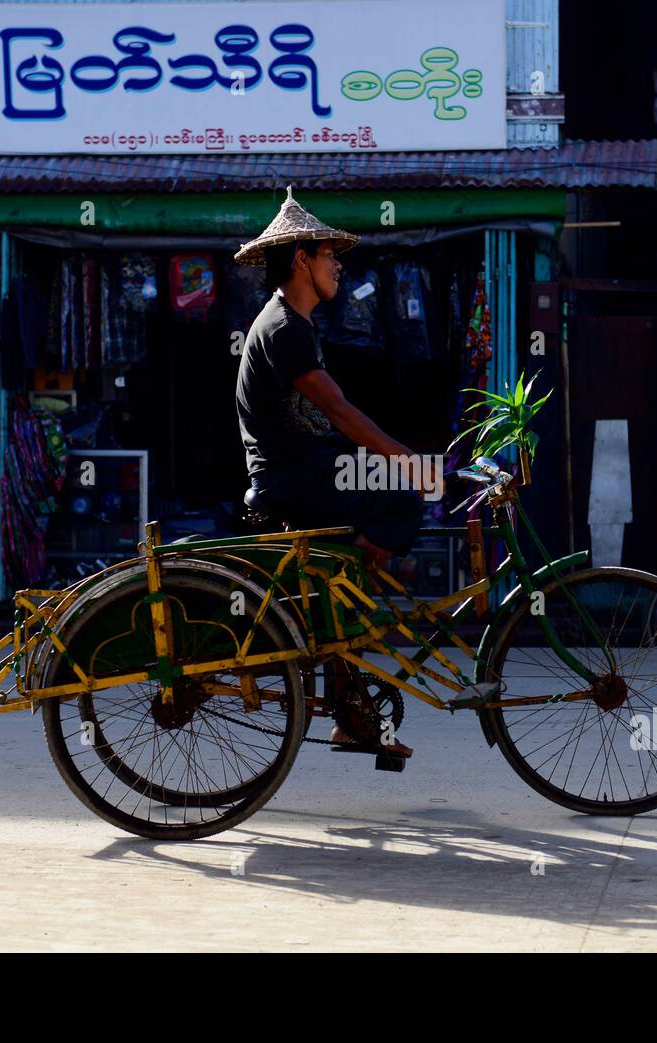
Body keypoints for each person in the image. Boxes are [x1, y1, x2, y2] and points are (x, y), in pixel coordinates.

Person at [234, 186, 430, 754]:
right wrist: (407, 462)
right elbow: (338, 410)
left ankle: (345, 628)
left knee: (384, 500)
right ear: (301, 260)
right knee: (401, 491)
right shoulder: (282, 329)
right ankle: (348, 620)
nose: (338, 266)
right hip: (290, 479)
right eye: (329, 256)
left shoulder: (292, 322)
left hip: (305, 469)